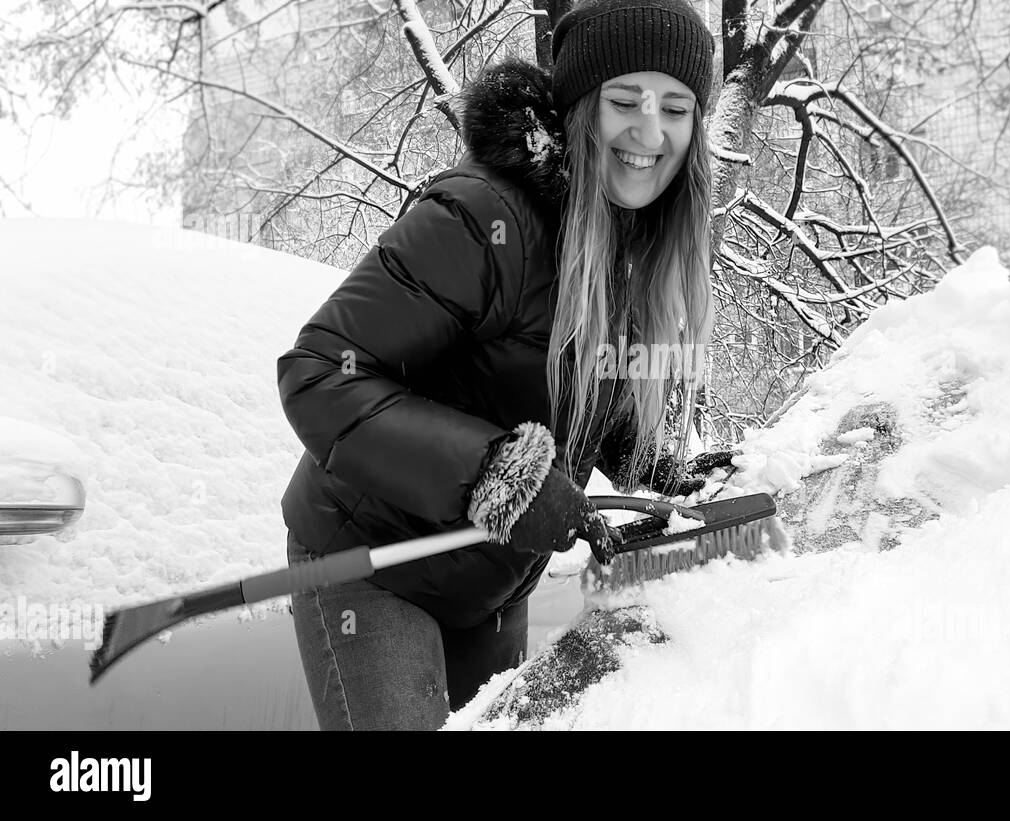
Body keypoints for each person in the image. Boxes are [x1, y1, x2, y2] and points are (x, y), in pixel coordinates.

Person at [276, 0, 720, 730]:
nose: (650, 130)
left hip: (491, 582)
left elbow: (572, 393)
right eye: (624, 100)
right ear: (579, 107)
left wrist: (657, 468)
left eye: (675, 106)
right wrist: (492, 472)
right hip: (371, 565)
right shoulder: (486, 221)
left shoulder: (628, 242)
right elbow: (320, 371)